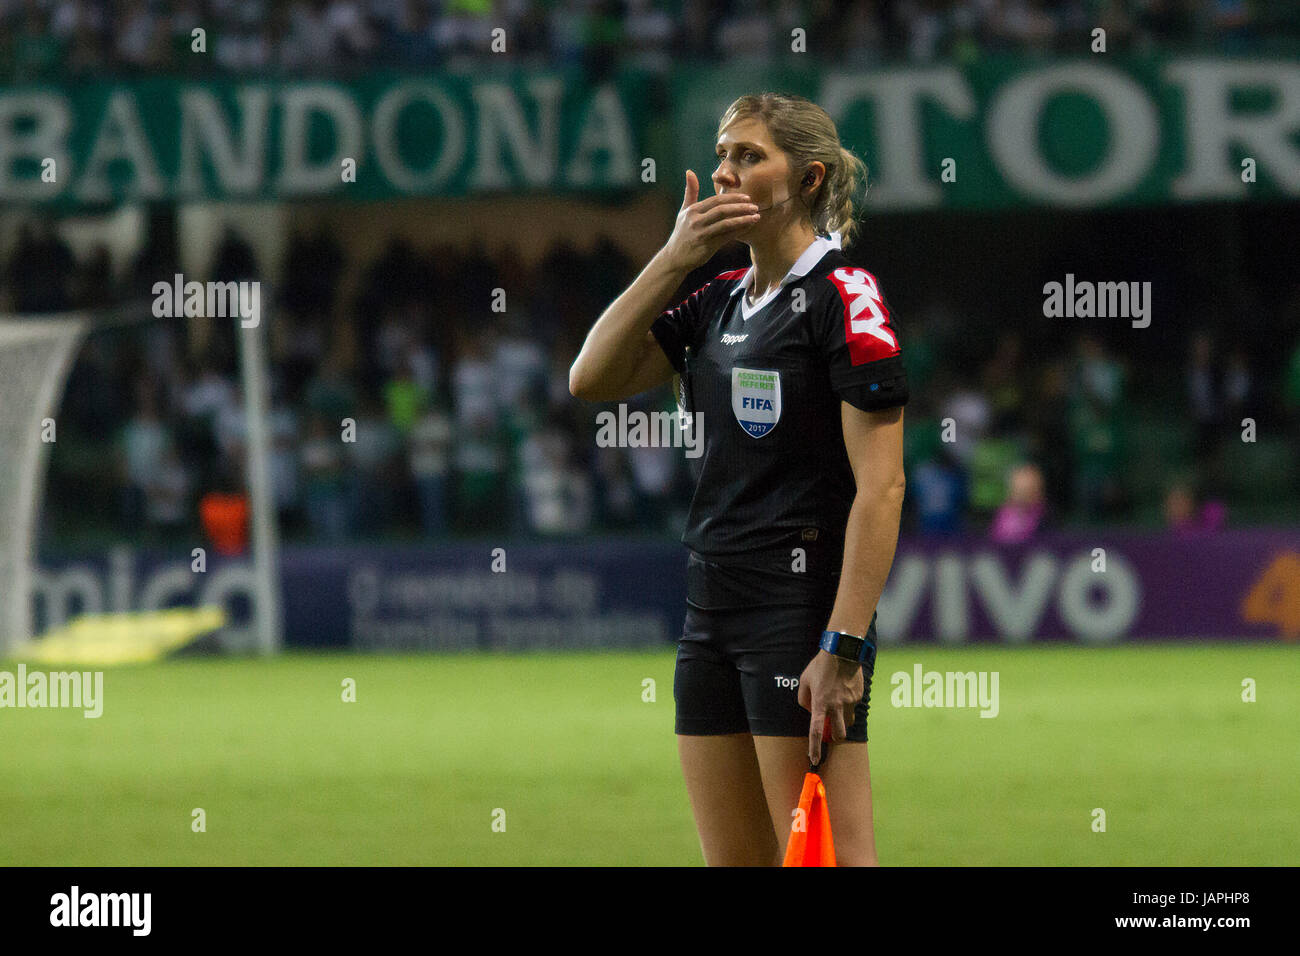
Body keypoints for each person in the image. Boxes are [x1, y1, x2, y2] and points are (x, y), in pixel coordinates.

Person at [570, 93, 908, 866]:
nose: (725, 171)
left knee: (827, 857)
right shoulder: (716, 302)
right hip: (710, 609)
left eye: (750, 156)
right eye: (724, 154)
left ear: (810, 177)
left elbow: (881, 489)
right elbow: (590, 376)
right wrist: (673, 257)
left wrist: (843, 647)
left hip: (799, 609)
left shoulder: (844, 299)